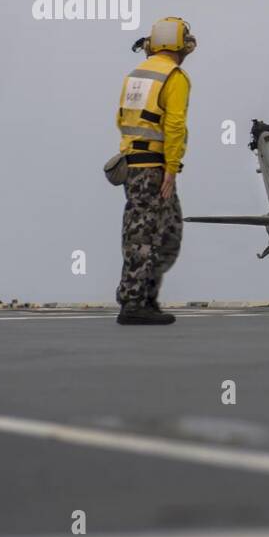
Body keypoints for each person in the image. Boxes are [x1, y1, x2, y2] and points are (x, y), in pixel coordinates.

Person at [114, 17, 196, 325]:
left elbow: (121, 118)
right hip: (154, 168)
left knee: (167, 231)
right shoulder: (174, 77)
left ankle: (146, 297)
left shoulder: (137, 74)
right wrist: (171, 169)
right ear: (178, 43)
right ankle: (133, 302)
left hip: (135, 164)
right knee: (144, 232)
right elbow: (174, 125)